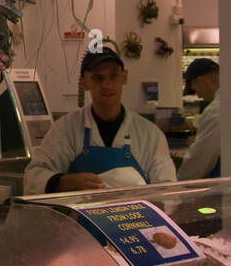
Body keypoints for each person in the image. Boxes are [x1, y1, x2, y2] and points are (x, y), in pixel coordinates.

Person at [23, 49, 176, 195]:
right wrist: (64, 182)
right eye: (98, 78)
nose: (107, 85)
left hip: (135, 221)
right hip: (79, 221)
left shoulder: (150, 135)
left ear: (124, 77)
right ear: (84, 82)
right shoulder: (66, 129)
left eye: (113, 76)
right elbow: (33, 177)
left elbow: (168, 192)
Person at [178, 58, 221, 180]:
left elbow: (200, 158)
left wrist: (180, 185)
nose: (199, 96)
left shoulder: (216, 110)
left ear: (203, 81)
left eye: (196, 90)